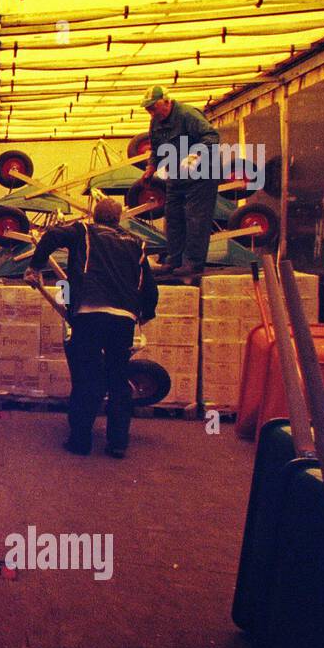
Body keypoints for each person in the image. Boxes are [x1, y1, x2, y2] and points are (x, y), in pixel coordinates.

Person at [25, 197, 159, 458]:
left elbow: (52, 235)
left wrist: (35, 266)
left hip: (89, 312)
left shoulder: (83, 231)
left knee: (87, 377)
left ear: (95, 215)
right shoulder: (136, 243)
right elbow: (149, 286)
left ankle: (80, 441)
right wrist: (146, 313)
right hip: (123, 317)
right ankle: (117, 443)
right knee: (118, 378)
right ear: (118, 219)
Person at [138, 85, 221, 278]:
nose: (151, 113)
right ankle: (174, 261)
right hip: (176, 177)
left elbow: (212, 136)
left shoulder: (187, 115)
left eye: (153, 108)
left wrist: (195, 154)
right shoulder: (155, 122)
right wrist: (151, 167)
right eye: (148, 109)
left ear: (166, 102)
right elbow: (156, 148)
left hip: (201, 176)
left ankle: (193, 263)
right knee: (173, 217)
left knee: (196, 219)